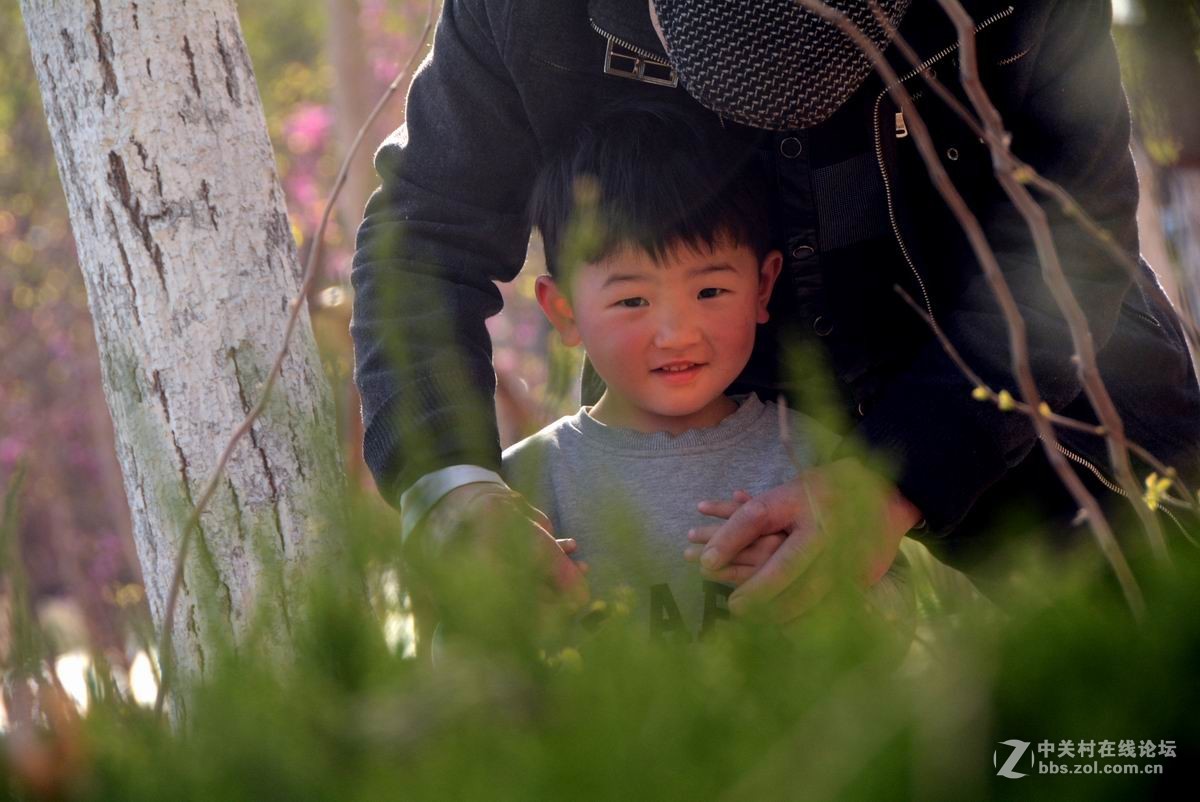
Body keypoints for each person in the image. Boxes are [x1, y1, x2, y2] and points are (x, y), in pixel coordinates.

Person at [351, 0, 1200, 620]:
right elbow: (426, 234)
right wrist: (451, 487)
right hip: (691, 408)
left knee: (1131, 708)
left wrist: (897, 474)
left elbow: (1073, 239)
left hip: (1026, 376)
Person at [500, 100, 913, 638]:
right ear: (564, 311)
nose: (678, 334)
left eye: (710, 291)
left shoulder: (814, 460)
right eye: (632, 301)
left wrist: (831, 591)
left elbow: (900, 622)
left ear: (763, 286)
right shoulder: (523, 486)